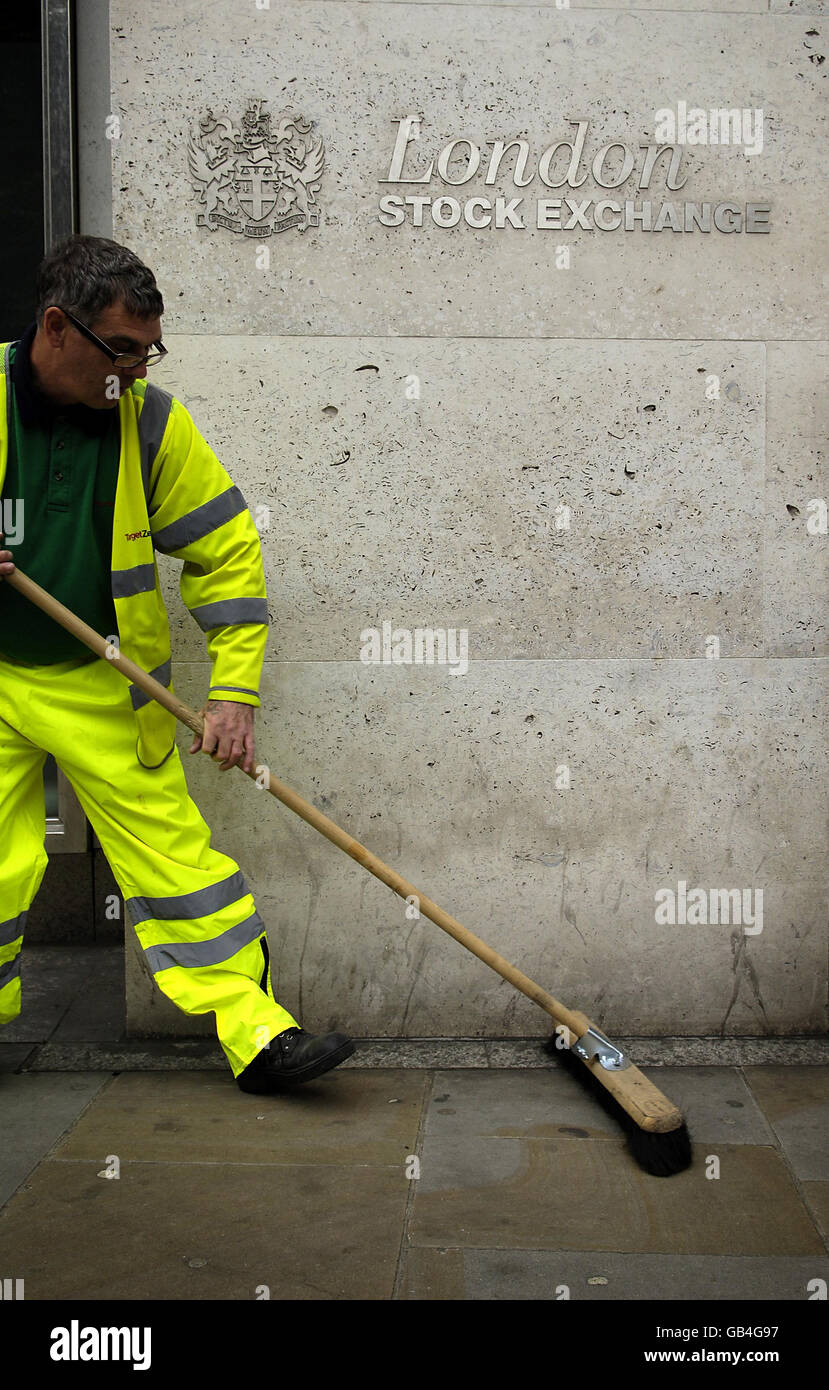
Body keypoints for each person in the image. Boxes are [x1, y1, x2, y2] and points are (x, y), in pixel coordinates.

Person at [0, 233, 354, 1093]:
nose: (138, 371)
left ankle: (258, 1035)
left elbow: (227, 557)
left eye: (149, 351)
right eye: (121, 351)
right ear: (56, 328)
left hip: (104, 682)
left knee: (177, 865)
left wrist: (233, 694)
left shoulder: (150, 420)